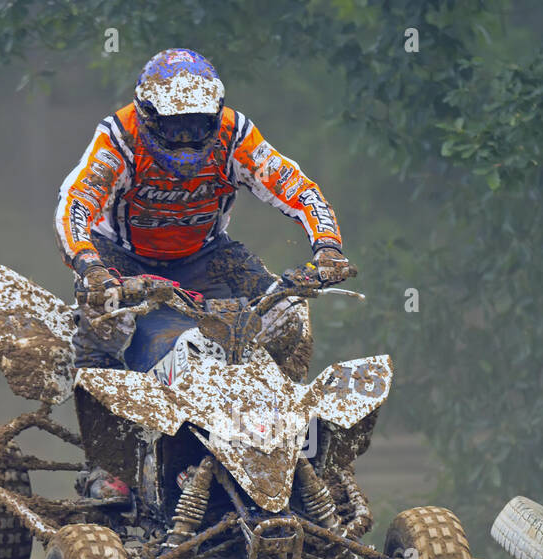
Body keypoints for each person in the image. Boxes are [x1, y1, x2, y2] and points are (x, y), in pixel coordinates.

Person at [55, 48, 356, 500]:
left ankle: (286, 447)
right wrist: (88, 265)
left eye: (197, 127)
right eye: (174, 128)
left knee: (287, 315)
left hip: (207, 253)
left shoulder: (235, 135)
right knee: (104, 324)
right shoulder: (120, 138)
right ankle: (108, 467)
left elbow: (294, 186)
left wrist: (328, 246)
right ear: (148, 117)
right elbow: (76, 201)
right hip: (119, 256)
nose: (186, 141)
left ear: (215, 116)